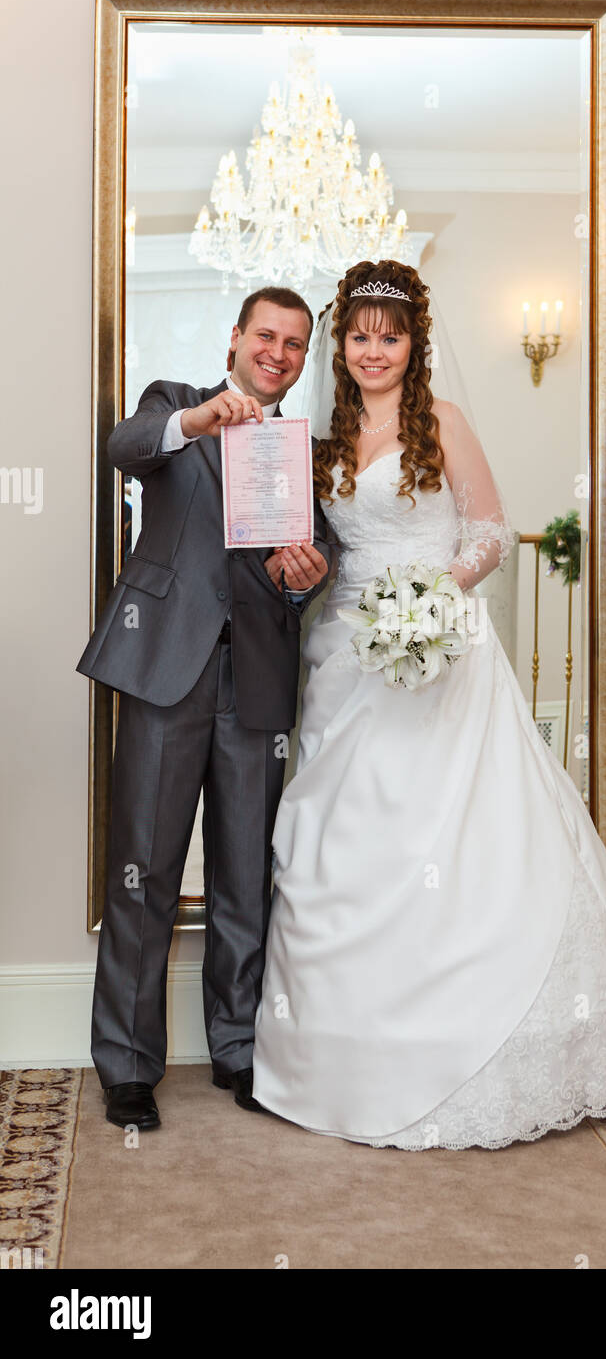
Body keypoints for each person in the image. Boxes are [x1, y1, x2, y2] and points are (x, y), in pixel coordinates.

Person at [251, 260, 606, 1150]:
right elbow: (308, 542)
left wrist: (431, 596)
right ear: (342, 347)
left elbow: (488, 530)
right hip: (345, 655)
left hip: (440, 644)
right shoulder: (319, 440)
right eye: (360, 336)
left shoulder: (442, 423)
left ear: (415, 345)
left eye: (391, 336)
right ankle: (343, 1055)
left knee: (452, 835)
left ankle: (492, 1040)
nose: (374, 351)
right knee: (344, 837)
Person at [77, 286, 334, 1130]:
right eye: (267, 335)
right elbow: (123, 448)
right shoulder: (173, 406)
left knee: (244, 881)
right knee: (142, 872)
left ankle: (238, 1049)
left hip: (255, 682)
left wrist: (309, 575)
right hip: (166, 669)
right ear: (235, 339)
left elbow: (319, 553)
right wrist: (199, 423)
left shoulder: (304, 451)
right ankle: (126, 1064)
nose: (280, 353)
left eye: (295, 344)